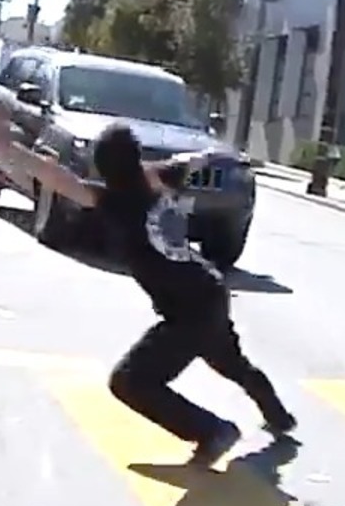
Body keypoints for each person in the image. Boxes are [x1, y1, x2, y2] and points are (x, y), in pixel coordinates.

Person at [52, 121, 296, 467]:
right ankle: (279, 417)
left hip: (187, 311)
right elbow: (198, 159)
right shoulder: (160, 179)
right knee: (229, 361)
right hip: (209, 290)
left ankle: (213, 431)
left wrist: (11, 149)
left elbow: (62, 181)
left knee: (129, 382)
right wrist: (229, 157)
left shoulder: (117, 203)